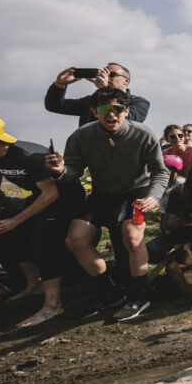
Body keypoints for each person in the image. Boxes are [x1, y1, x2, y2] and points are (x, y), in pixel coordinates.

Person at [46, 87, 168, 321]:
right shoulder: (81, 136)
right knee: (76, 240)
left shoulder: (144, 134)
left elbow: (160, 172)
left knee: (132, 237)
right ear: (94, 112)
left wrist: (154, 196)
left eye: (118, 109)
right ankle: (110, 293)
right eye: (104, 109)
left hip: (137, 191)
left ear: (127, 111)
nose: (111, 115)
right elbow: (73, 171)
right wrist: (60, 170)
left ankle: (139, 296)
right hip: (103, 193)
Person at [0, 114, 86, 326]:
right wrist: (12, 223)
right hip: (41, 196)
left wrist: (15, 220)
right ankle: (34, 285)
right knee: (6, 232)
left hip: (66, 197)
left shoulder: (26, 155)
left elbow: (52, 194)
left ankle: (53, 306)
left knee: (44, 241)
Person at [44, 63, 149, 126]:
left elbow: (127, 121)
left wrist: (105, 90)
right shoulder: (90, 101)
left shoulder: (139, 102)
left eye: (111, 75)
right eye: (104, 73)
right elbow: (54, 106)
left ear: (126, 81)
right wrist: (59, 85)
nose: (106, 77)